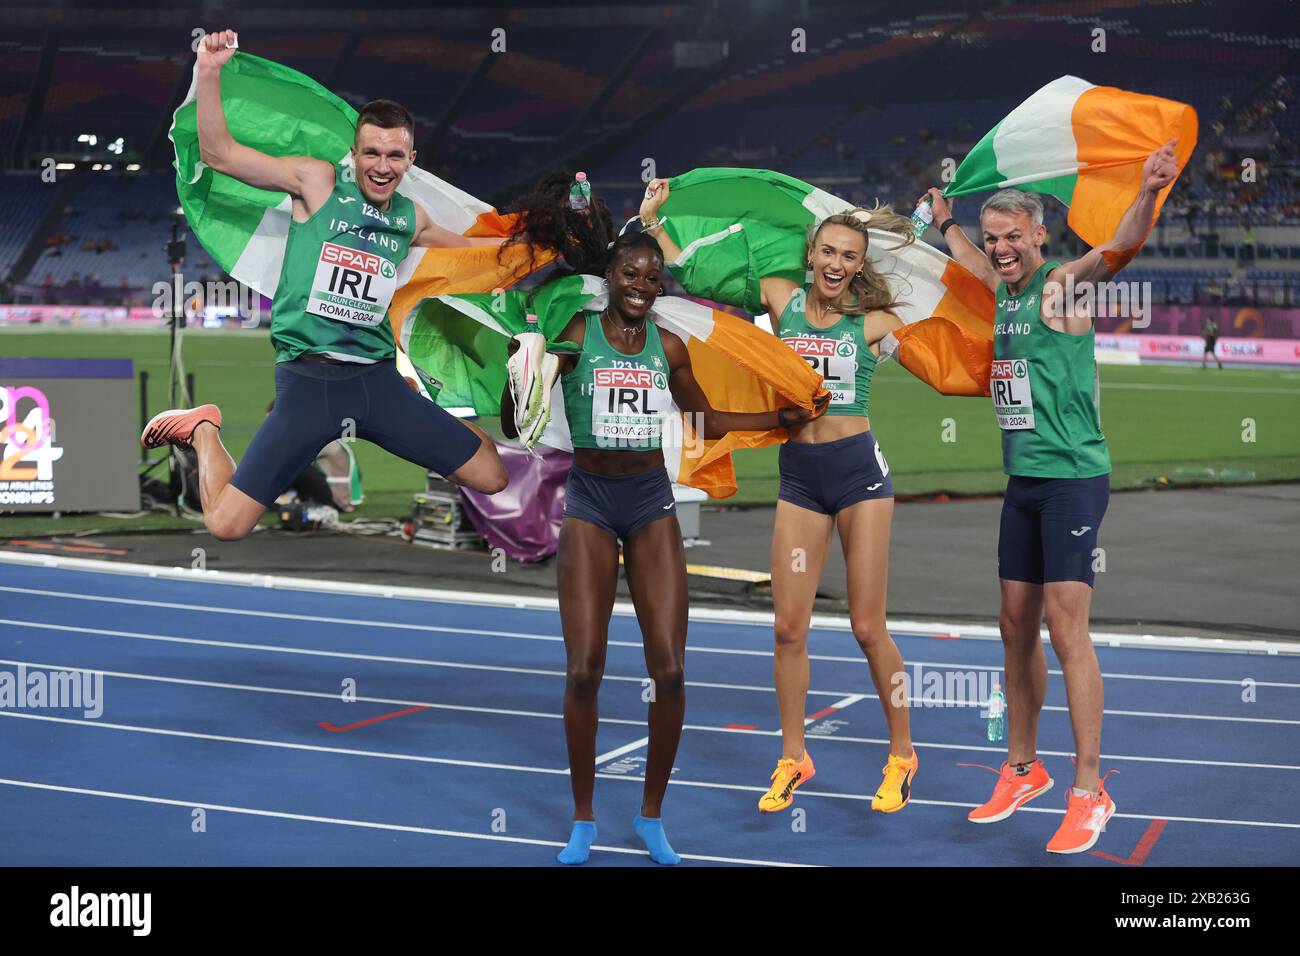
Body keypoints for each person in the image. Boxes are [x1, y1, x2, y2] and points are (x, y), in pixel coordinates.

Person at [501, 229, 824, 865]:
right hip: (591, 504)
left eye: (653, 278)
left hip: (650, 504)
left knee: (670, 670)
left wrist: (780, 421)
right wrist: (525, 367)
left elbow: (704, 420)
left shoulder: (669, 345)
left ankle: (652, 815)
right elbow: (516, 423)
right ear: (611, 277)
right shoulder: (574, 337)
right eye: (631, 275)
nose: (643, 287)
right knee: (584, 669)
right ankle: (584, 818)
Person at [141, 29, 510, 539]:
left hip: (379, 385)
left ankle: (423, 413)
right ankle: (204, 429)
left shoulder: (412, 218)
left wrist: (560, 239)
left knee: (491, 475)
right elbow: (221, 154)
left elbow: (492, 256)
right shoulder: (314, 183)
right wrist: (208, 71)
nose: (383, 167)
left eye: (395, 156)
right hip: (309, 386)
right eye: (372, 153)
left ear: (411, 160)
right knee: (226, 525)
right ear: (354, 154)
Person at [923, 139, 1181, 853]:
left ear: (1040, 234)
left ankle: (1091, 790)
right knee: (1013, 622)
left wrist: (1148, 191)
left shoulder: (1061, 284)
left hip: (1072, 478)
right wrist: (946, 221)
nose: (1001, 249)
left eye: (1014, 237)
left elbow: (1119, 248)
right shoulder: (1002, 287)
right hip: (1025, 481)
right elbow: (971, 260)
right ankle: (1022, 768)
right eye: (994, 237)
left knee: (1066, 630)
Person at [640, 180, 920, 816]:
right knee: (789, 628)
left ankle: (902, 754)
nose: (836, 264)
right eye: (828, 252)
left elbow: (934, 356)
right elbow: (695, 277)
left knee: (867, 625)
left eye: (849, 257)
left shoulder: (875, 324)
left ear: (859, 265)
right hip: (801, 477)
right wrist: (656, 223)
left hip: (859, 479)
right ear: (811, 253)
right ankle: (794, 755)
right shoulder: (780, 299)